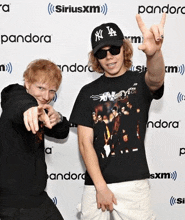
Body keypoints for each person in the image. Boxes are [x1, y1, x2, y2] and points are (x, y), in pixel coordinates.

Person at [69, 13, 166, 220]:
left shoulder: (140, 81)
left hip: (134, 184)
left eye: (114, 49)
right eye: (102, 54)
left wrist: (154, 54)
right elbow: (85, 144)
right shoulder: (87, 92)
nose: (109, 57)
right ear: (96, 58)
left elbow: (156, 79)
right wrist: (101, 187)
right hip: (96, 184)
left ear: (124, 49)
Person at [0, 59, 69, 220]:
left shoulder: (41, 112)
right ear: (27, 83)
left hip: (37, 199)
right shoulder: (15, 98)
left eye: (52, 91)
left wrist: (58, 117)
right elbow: (18, 102)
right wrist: (28, 109)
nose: (46, 96)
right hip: (18, 206)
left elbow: (62, 132)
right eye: (40, 88)